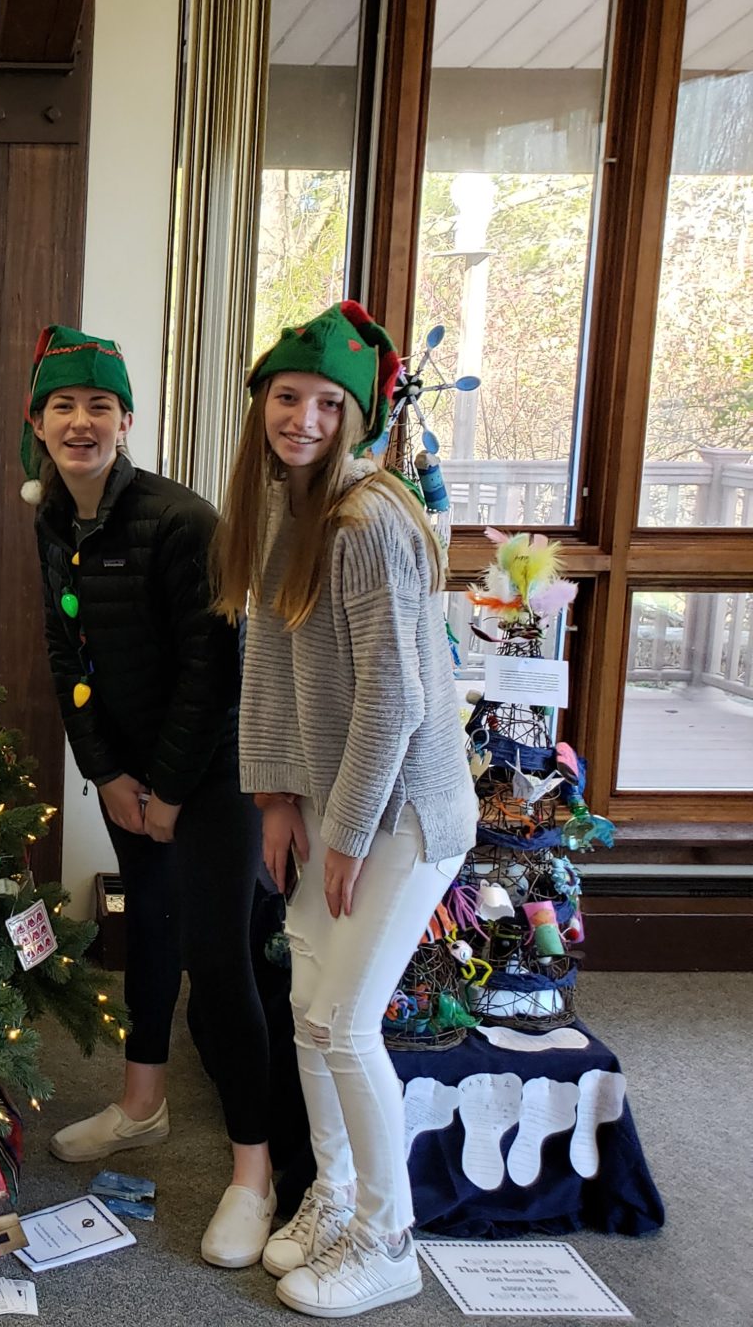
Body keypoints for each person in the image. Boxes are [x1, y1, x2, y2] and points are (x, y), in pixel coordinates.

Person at [22, 326, 311, 1269]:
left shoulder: (182, 521)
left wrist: (173, 793)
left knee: (217, 960)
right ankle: (141, 1107)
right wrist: (107, 776)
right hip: (132, 777)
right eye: (62, 406)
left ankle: (254, 1174)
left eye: (99, 406)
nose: (81, 422)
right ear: (37, 422)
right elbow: (69, 658)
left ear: (127, 421)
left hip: (214, 770)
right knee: (145, 926)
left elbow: (212, 668)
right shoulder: (52, 517)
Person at [211, 301, 477, 1318]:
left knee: (339, 1020)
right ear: (260, 404)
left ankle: (388, 1236)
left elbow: (394, 700)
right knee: (303, 1004)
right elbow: (269, 667)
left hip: (398, 812)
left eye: (329, 404)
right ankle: (332, 1194)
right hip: (325, 800)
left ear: (357, 417)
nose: (304, 418)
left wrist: (345, 834)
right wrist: (276, 797)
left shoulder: (365, 520)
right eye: (288, 397)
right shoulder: (282, 506)